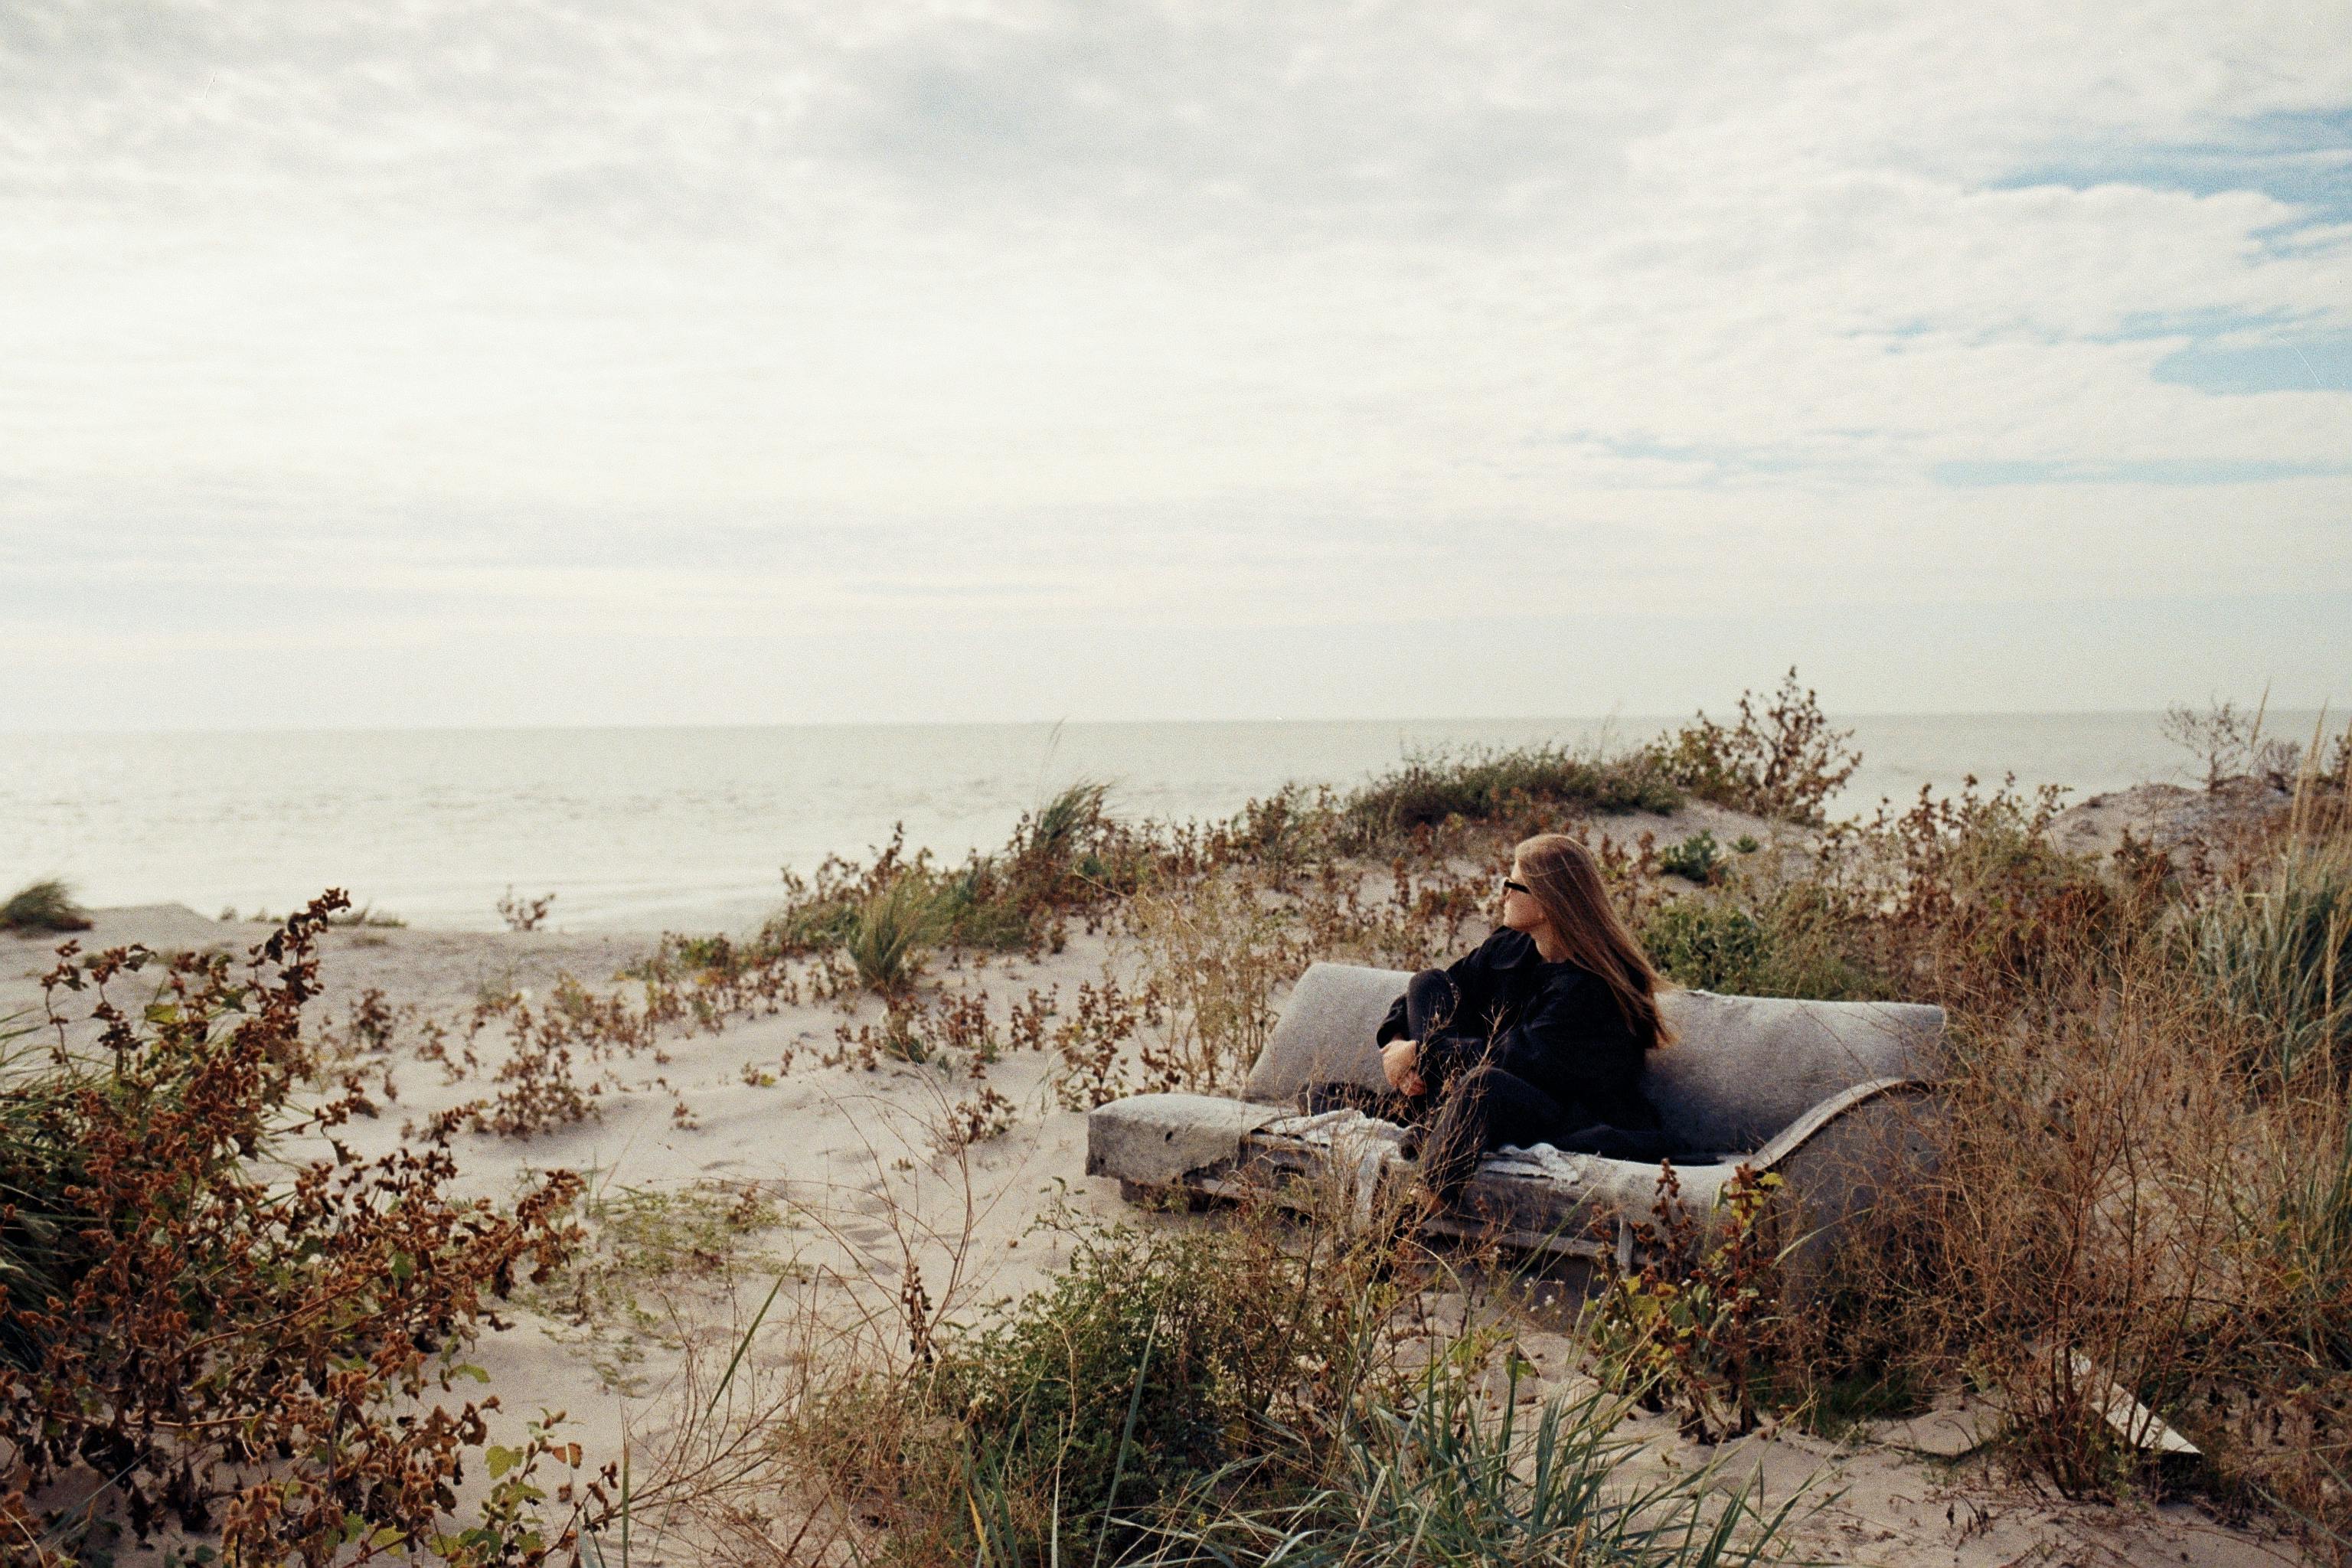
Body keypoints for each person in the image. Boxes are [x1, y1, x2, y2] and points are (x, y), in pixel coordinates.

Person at [1302, 832, 1675, 1209]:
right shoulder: (1512, 944)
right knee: (1424, 987)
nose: (1503, 894)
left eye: (1513, 885)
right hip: (1458, 1092)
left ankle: (1412, 1218)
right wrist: (1398, 1041)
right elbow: (1444, 987)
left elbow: (1516, 1058)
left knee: (1485, 1085)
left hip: (1554, 1109)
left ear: (1546, 902)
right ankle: (1436, 1120)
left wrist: (1424, 1053)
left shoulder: (1590, 986)